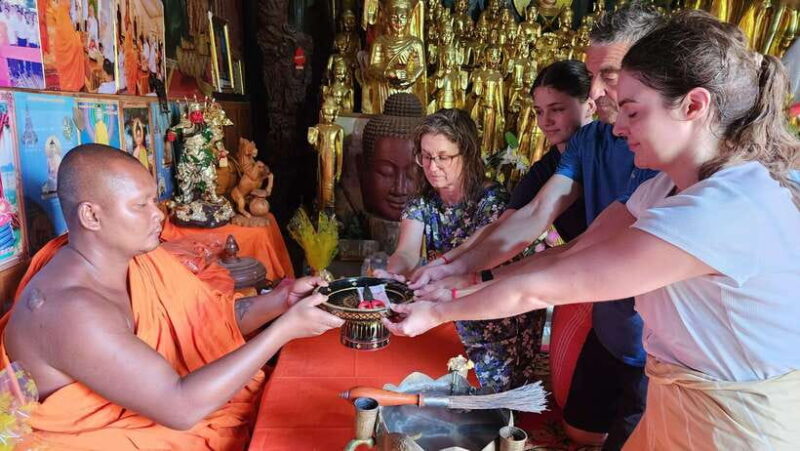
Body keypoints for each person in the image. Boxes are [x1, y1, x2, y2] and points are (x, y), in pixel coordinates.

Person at [388, 10, 800, 449]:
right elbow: (574, 251)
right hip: (684, 393)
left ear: (694, 106)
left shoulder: (722, 208)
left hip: (736, 421)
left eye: (633, 111)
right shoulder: (668, 185)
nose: (619, 127)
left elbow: (543, 289)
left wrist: (436, 311)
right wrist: (466, 280)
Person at [409, 3, 663, 448]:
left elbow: (582, 253)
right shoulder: (589, 139)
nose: (598, 91)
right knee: (579, 431)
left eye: (610, 75)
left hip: (660, 345)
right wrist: (457, 270)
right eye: (594, 76)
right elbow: (528, 219)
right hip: (609, 317)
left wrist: (447, 300)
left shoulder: (664, 157)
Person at [1, 144, 344, 448]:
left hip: (164, 410)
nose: (158, 215)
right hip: (117, 435)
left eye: (155, 199)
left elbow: (211, 320)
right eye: (141, 205)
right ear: (91, 215)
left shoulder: (140, 259)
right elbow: (180, 408)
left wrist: (282, 302)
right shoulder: (69, 312)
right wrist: (283, 330)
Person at [384, 109, 539, 391]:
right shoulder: (423, 202)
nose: (432, 166)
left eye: (443, 157)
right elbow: (406, 252)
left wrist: (438, 278)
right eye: (426, 156)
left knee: (482, 399)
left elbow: (482, 263)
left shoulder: (492, 200)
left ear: (466, 153)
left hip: (491, 308)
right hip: (444, 304)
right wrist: (394, 274)